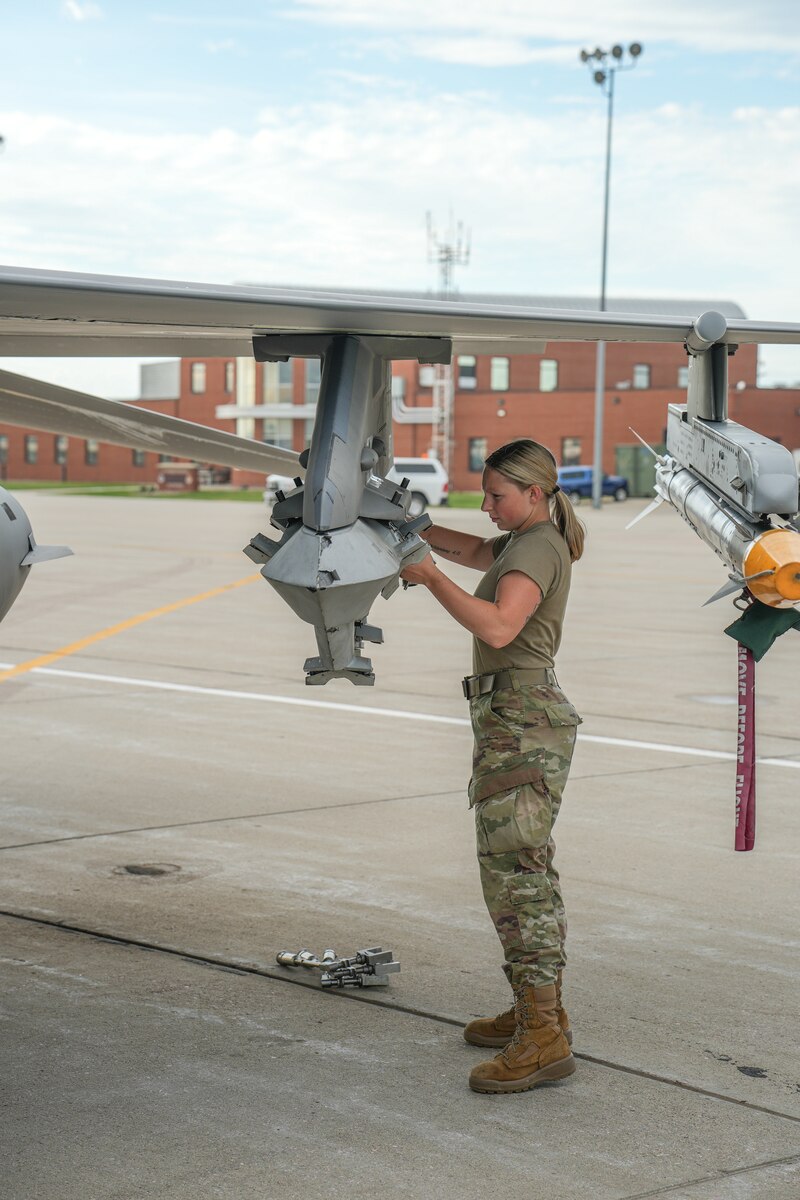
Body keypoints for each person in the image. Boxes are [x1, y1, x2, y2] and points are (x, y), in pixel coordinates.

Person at [400, 438, 585, 1095]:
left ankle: (542, 1036)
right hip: (517, 719)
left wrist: (429, 577)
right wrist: (413, 530)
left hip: (521, 726)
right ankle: (539, 1010)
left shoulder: (535, 549)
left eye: (496, 495)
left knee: (516, 879)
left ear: (534, 493)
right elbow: (479, 551)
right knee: (522, 870)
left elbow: (501, 627)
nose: (486, 506)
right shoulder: (524, 540)